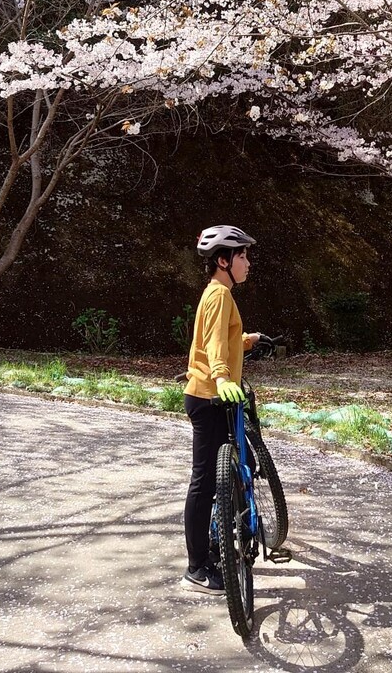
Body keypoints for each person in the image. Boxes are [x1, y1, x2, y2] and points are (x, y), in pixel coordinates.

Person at [181, 224, 262, 592]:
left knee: (215, 479)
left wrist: (246, 341)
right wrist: (222, 376)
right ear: (224, 260)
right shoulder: (219, 296)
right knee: (204, 482)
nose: (247, 262)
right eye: (242, 256)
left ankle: (212, 550)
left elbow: (221, 338)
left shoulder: (220, 293)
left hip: (216, 394)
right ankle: (197, 568)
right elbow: (213, 345)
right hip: (210, 395)